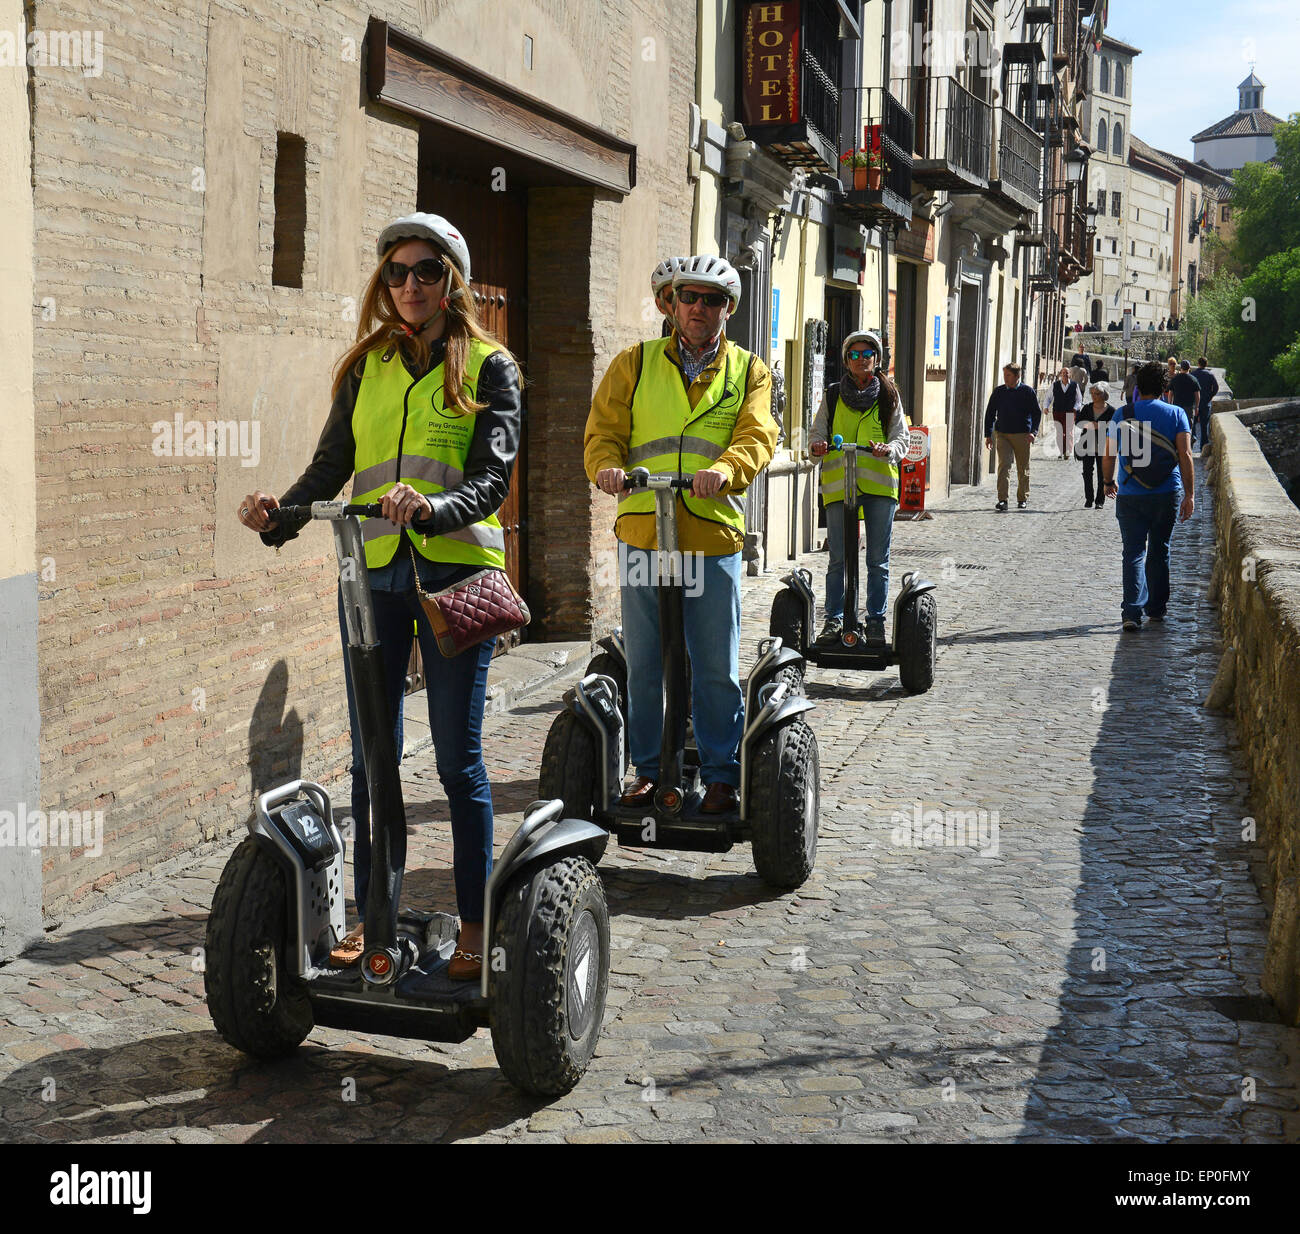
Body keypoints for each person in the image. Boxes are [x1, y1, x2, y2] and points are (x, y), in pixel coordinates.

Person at [237, 213, 521, 980]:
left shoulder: (491, 368)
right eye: (396, 272)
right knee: (374, 759)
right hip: (371, 578)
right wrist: (279, 517)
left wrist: (434, 507)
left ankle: (472, 926)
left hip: (453, 580)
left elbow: (493, 480)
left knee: (458, 763)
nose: (409, 286)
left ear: (451, 280)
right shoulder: (365, 367)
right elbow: (331, 466)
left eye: (426, 271)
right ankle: (378, 920)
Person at [585, 254, 776, 816]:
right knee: (645, 658)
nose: (699, 308)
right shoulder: (634, 364)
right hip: (645, 531)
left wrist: (729, 469)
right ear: (669, 304)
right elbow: (604, 429)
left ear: (728, 309)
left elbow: (759, 433)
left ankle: (720, 773)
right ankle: (647, 769)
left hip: (712, 533)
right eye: (688, 297)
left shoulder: (749, 370)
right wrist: (604, 466)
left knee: (715, 660)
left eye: (712, 299)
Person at [809, 331, 910, 644]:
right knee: (837, 558)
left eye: (867, 354)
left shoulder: (889, 395)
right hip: (840, 486)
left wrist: (888, 450)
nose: (861, 359)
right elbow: (814, 436)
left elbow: (902, 439)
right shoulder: (833, 394)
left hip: (879, 487)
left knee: (877, 561)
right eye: (854, 354)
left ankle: (876, 622)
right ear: (846, 360)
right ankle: (834, 621)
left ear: (876, 359)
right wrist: (817, 448)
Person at [1101, 361, 1194, 631]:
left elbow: (1108, 454)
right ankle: (1156, 608)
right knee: (1159, 550)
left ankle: (1131, 612)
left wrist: (1108, 481)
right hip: (1167, 492)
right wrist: (1189, 495)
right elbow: (1186, 456)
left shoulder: (1122, 414)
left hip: (1130, 492)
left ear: (1138, 387)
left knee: (1132, 552)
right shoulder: (1177, 414)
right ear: (1165, 387)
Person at [983, 363, 1041, 511]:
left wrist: (1033, 432)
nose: (1005, 378)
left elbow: (1036, 413)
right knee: (1004, 466)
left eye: (1008, 375)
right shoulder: (999, 392)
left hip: (1022, 435)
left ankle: (1022, 498)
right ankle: (1003, 500)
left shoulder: (1027, 392)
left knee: (1023, 468)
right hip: (1003, 434)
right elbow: (990, 413)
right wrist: (988, 434)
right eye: (1004, 375)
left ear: (1017, 376)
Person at [1077, 380, 1116, 508]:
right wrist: (1091, 425)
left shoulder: (1111, 411)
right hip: (1087, 443)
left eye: (1097, 393)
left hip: (1104, 445)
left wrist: (1099, 425)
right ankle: (1089, 498)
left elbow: (1115, 427)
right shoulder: (1087, 408)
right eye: (1092, 393)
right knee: (1087, 472)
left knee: (1102, 474)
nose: (1094, 396)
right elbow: (1078, 422)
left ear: (1104, 394)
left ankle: (1100, 501)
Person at [1049, 366, 1083, 461]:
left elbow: (1079, 400)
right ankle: (1061, 451)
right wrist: (1046, 407)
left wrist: (1075, 408)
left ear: (1070, 375)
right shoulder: (1055, 385)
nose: (1065, 375)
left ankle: (1067, 451)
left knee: (1068, 433)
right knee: (1059, 433)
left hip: (1070, 412)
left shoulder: (1074, 385)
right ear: (1060, 374)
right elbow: (1048, 397)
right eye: (1063, 373)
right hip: (1057, 411)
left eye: (1066, 373)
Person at [650, 256, 688, 337]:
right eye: (673, 297)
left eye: (687, 296)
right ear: (660, 305)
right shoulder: (643, 349)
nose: (682, 304)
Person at [1167, 360, 1202, 445]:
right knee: (1188, 427)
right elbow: (1197, 395)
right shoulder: (1193, 379)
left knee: (1176, 426)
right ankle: (1187, 444)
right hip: (1189, 407)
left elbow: (1170, 394)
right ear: (1189, 368)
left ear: (1181, 367)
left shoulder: (1175, 379)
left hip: (1176, 407)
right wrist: (1197, 407)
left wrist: (1169, 405)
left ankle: (1177, 445)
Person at [1192, 357, 1220, 450]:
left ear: (1198, 363)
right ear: (1206, 364)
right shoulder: (1210, 375)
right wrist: (1210, 396)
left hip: (1194, 403)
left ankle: (1192, 440)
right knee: (1204, 426)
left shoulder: (1193, 374)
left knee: (1192, 424)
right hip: (1206, 403)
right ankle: (1203, 447)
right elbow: (1216, 388)